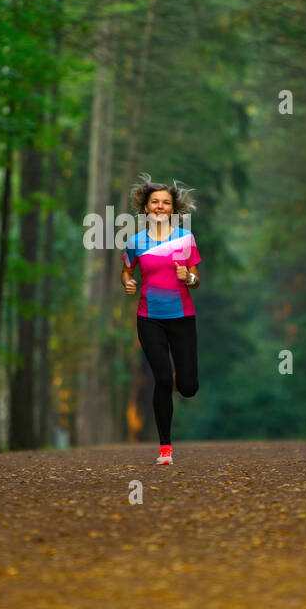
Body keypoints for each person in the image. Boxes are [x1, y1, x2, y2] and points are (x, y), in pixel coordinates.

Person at [121, 173, 201, 464]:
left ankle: (184, 373)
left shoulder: (185, 238)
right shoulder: (135, 242)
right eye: (154, 202)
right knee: (162, 379)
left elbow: (196, 280)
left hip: (182, 317)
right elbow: (127, 271)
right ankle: (165, 448)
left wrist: (188, 276)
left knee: (189, 387)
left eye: (165, 203)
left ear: (173, 209)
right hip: (149, 318)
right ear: (145, 208)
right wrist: (127, 283)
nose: (159, 207)